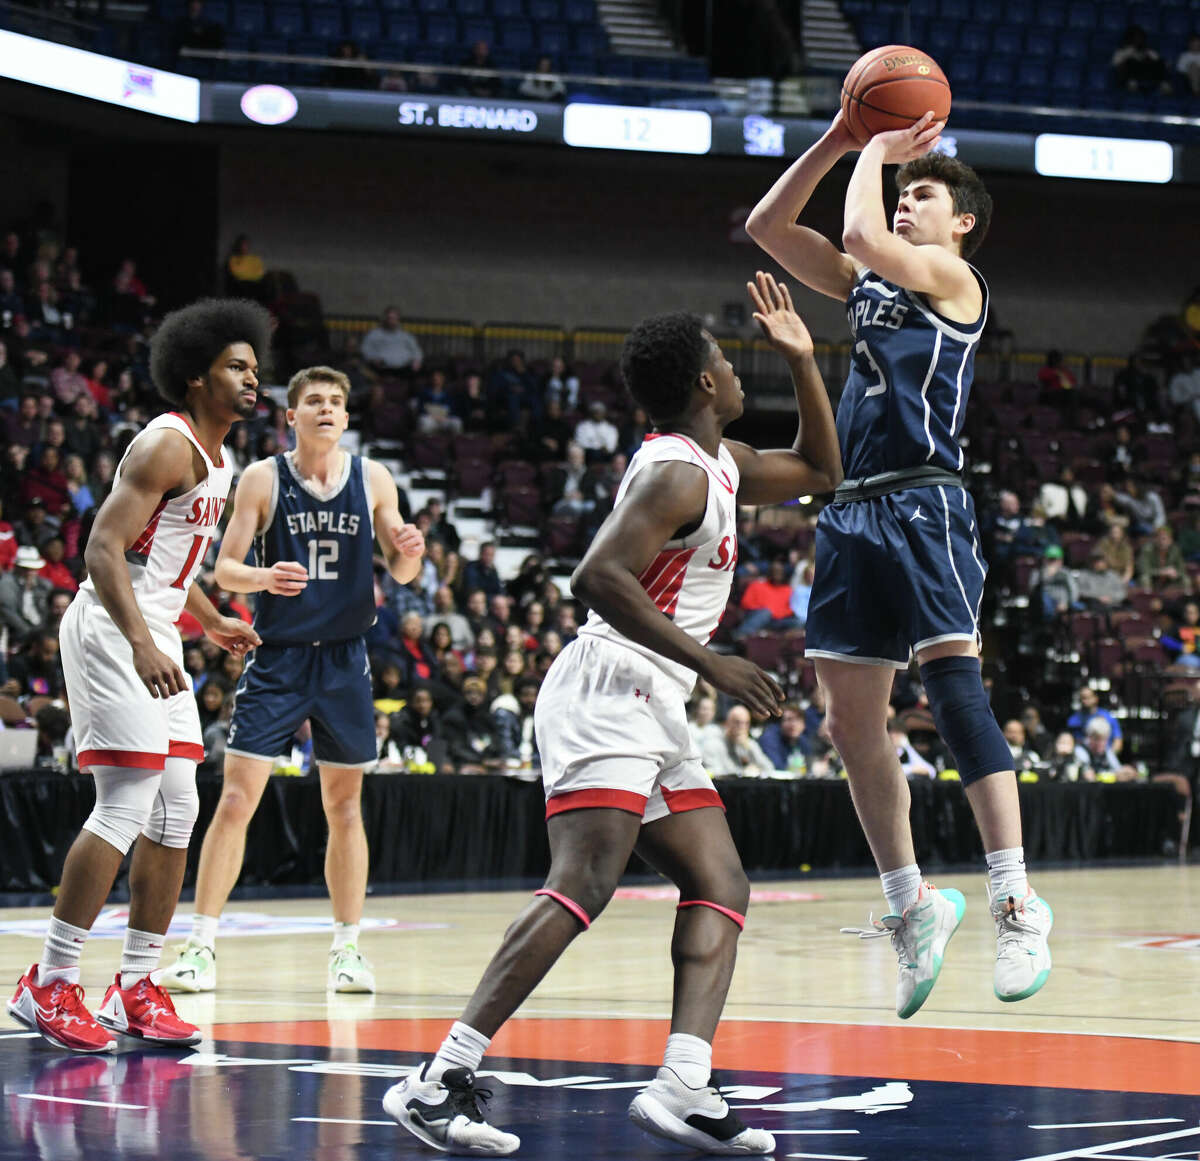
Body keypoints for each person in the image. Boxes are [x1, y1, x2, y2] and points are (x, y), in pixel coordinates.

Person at [382, 274, 841, 1155]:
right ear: (704, 383)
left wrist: (804, 360)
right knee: (585, 881)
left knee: (722, 881)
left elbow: (823, 470)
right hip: (611, 686)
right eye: (727, 363)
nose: (739, 374)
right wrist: (714, 663)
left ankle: (682, 1084)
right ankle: (436, 1080)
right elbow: (595, 574)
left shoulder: (722, 464)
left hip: (651, 699)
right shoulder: (674, 470)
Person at [747, 108, 1053, 1018]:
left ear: (960, 222)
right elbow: (770, 228)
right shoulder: (869, 286)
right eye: (905, 190)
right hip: (849, 511)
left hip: (925, 500)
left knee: (956, 695)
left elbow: (854, 229)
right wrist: (839, 139)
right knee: (849, 728)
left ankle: (1014, 899)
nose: (908, 200)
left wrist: (882, 143)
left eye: (925, 193)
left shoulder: (955, 279)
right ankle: (911, 904)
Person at [8, 298, 268, 1054]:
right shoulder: (166, 444)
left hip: (153, 625)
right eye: (235, 366)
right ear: (195, 376)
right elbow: (101, 549)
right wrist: (141, 641)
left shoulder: (217, 461)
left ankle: (135, 985)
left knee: (178, 807)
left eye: (255, 367)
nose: (252, 379)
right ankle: (50, 983)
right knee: (125, 797)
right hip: (108, 625)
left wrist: (210, 618)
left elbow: (163, 560)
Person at [159, 366, 425, 996]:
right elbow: (223, 569)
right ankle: (199, 948)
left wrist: (411, 547)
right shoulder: (262, 478)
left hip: (343, 659)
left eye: (336, 402)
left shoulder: (374, 478)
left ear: (347, 417)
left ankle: (347, 951)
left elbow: (405, 569)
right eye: (314, 402)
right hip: (278, 657)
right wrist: (263, 578)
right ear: (292, 416)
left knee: (345, 806)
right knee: (234, 800)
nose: (326, 410)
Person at [361, 306, 423, 375]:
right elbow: (365, 350)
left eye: (394, 318)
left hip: (405, 369)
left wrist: (417, 361)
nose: (391, 321)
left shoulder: (406, 336)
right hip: (381, 368)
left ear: (398, 320)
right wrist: (373, 359)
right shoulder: (374, 335)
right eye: (389, 318)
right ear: (384, 319)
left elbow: (416, 350)